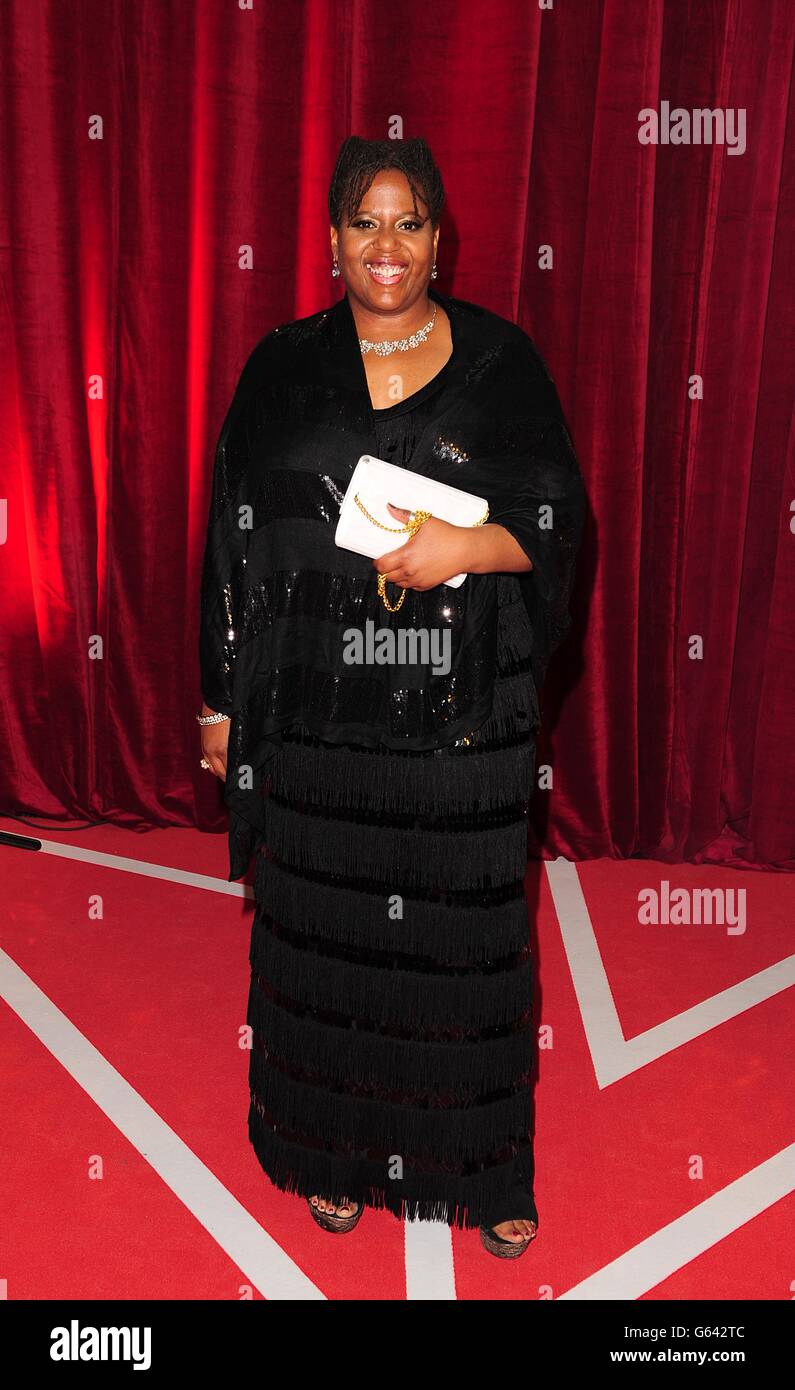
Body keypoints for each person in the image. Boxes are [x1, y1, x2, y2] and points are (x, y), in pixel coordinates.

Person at [198, 135, 585, 1258]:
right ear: (329, 239)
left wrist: (470, 539)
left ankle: (486, 1165)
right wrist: (220, 701)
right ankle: (335, 1152)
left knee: (464, 949)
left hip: (456, 716)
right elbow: (230, 530)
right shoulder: (281, 365)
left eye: (408, 221)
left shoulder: (502, 363)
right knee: (328, 949)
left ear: (438, 238)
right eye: (363, 221)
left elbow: (563, 525)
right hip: (317, 714)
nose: (386, 244)